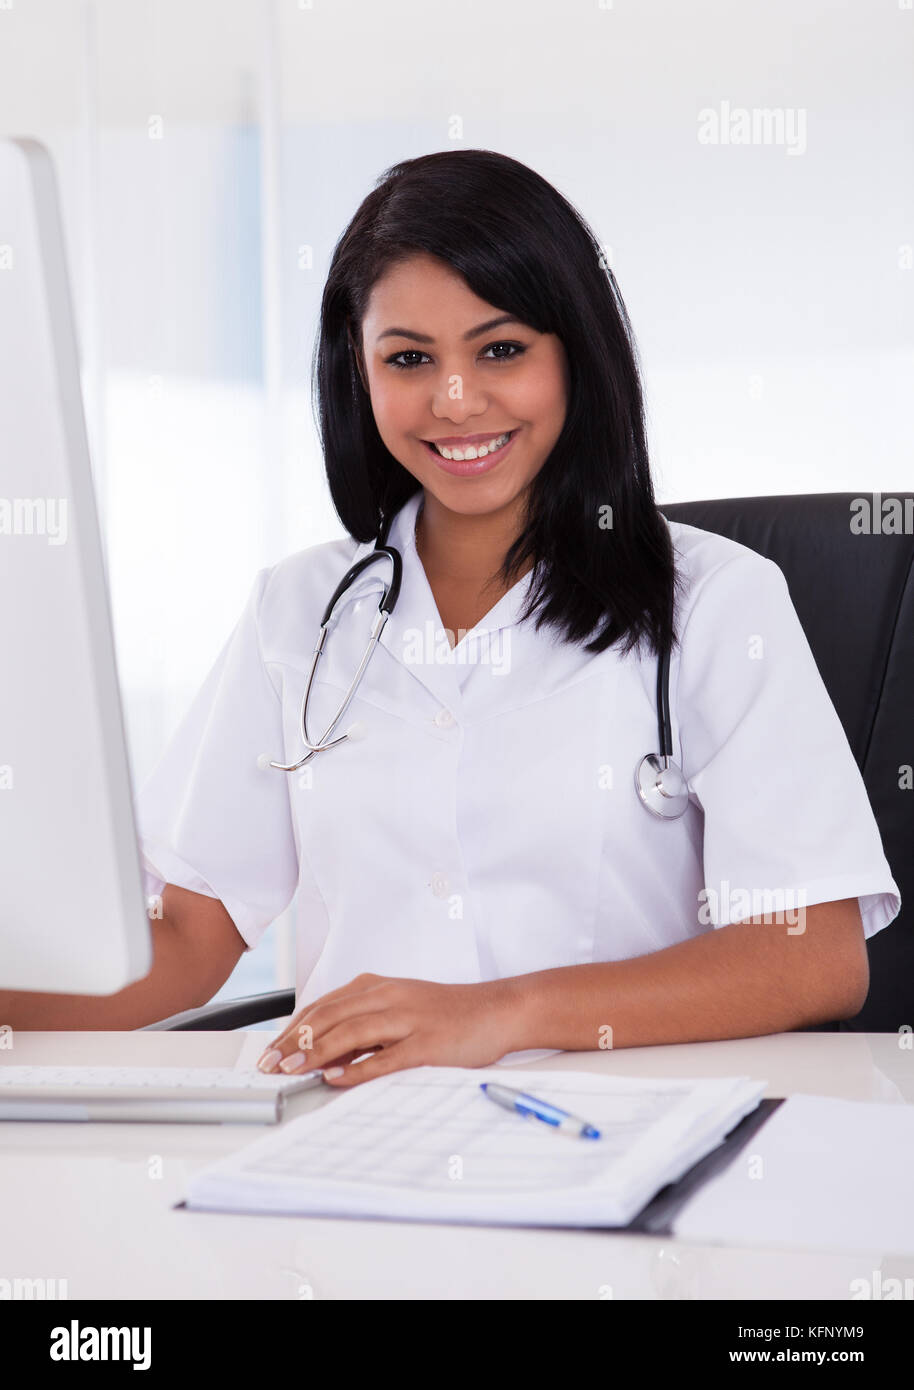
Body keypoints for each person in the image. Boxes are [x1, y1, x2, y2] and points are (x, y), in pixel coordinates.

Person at [6, 150, 899, 1078]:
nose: (457, 399)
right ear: (359, 373)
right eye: (409, 359)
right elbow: (191, 936)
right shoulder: (299, 611)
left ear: (575, 359)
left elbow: (812, 955)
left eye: (501, 349)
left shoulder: (716, 601)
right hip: (345, 1138)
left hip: (622, 1136)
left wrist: (503, 1014)